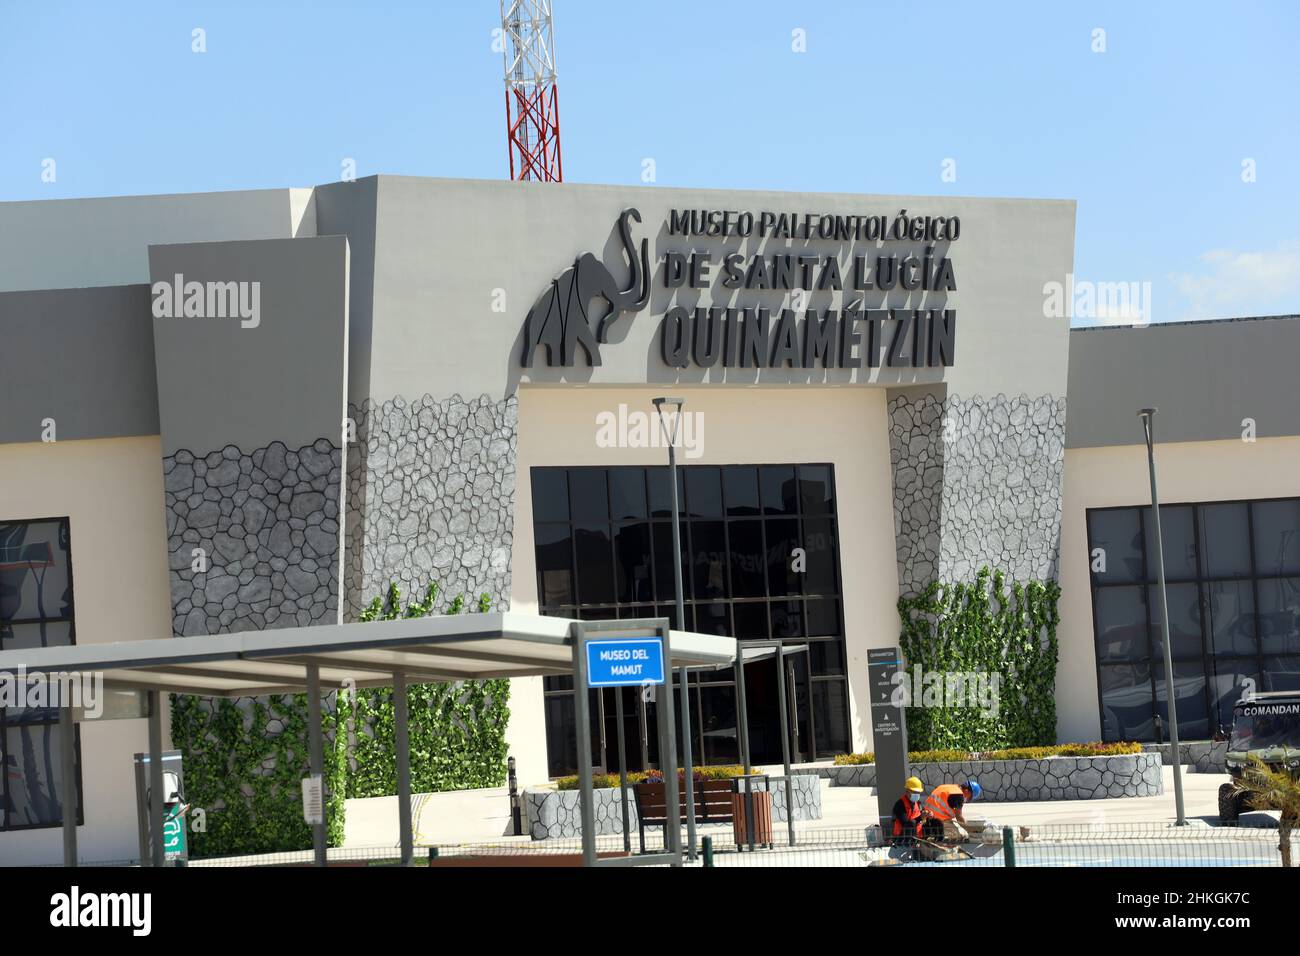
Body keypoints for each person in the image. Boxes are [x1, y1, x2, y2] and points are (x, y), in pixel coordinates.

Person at [890, 776, 926, 844]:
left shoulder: (918, 803)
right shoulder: (900, 804)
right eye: (914, 792)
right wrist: (920, 817)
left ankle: (936, 841)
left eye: (918, 792)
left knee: (935, 821)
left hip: (917, 835)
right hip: (902, 837)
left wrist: (927, 815)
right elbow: (906, 824)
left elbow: (922, 815)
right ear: (907, 791)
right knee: (911, 824)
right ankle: (913, 843)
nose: (916, 794)